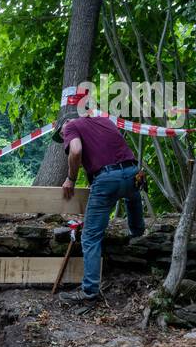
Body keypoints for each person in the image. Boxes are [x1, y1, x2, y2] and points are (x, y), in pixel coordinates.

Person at [57, 112, 145, 306]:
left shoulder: (72, 126)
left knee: (90, 236)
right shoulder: (104, 121)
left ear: (67, 123)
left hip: (106, 179)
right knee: (132, 197)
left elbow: (76, 151)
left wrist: (71, 178)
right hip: (133, 173)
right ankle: (138, 235)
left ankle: (89, 292)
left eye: (62, 134)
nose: (64, 138)